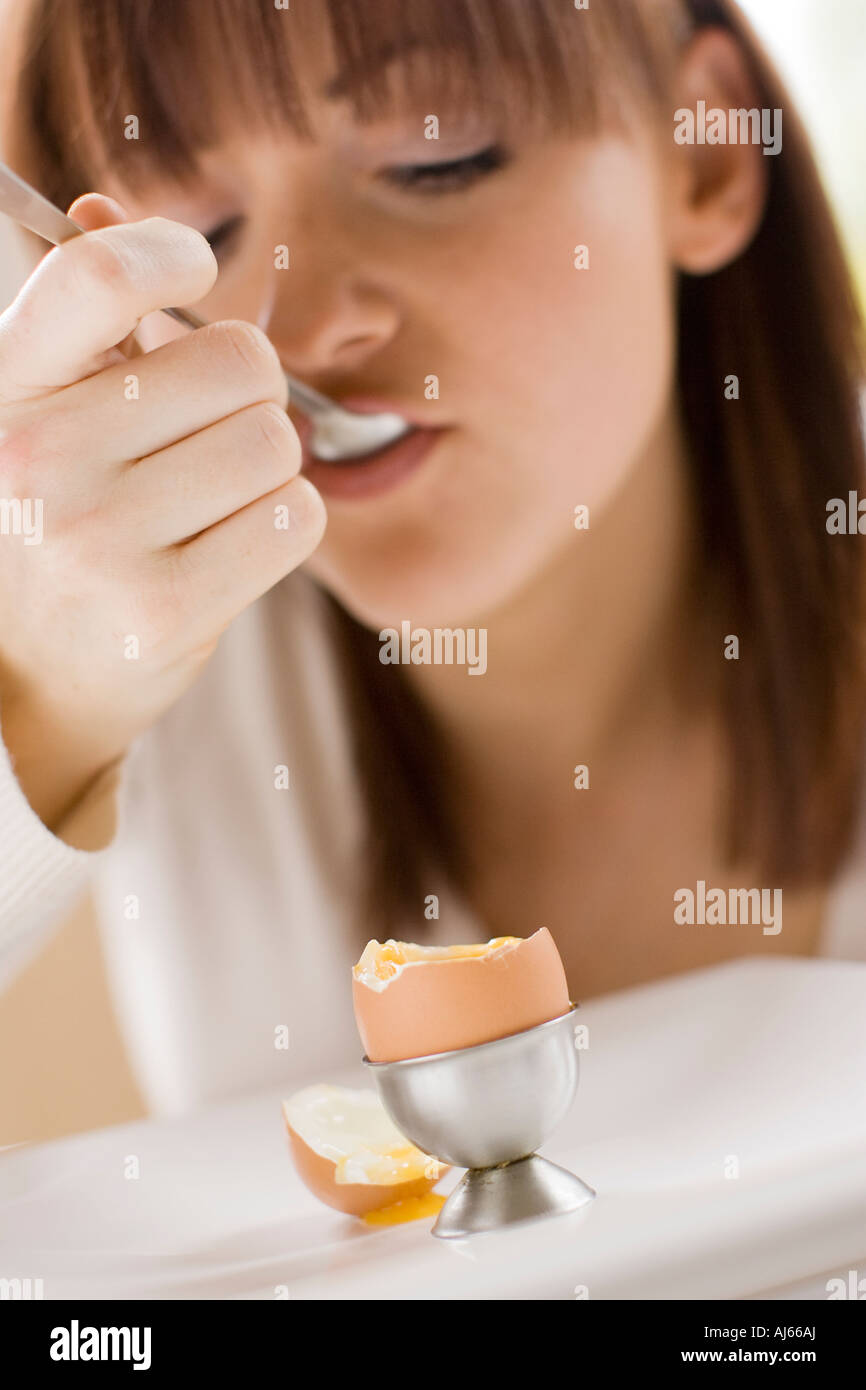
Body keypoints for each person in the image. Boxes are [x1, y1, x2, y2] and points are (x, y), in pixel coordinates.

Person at [0, 0, 864, 1116]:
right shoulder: (147, 622)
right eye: (205, 230)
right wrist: (40, 715)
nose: (292, 319)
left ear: (702, 157)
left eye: (433, 158)